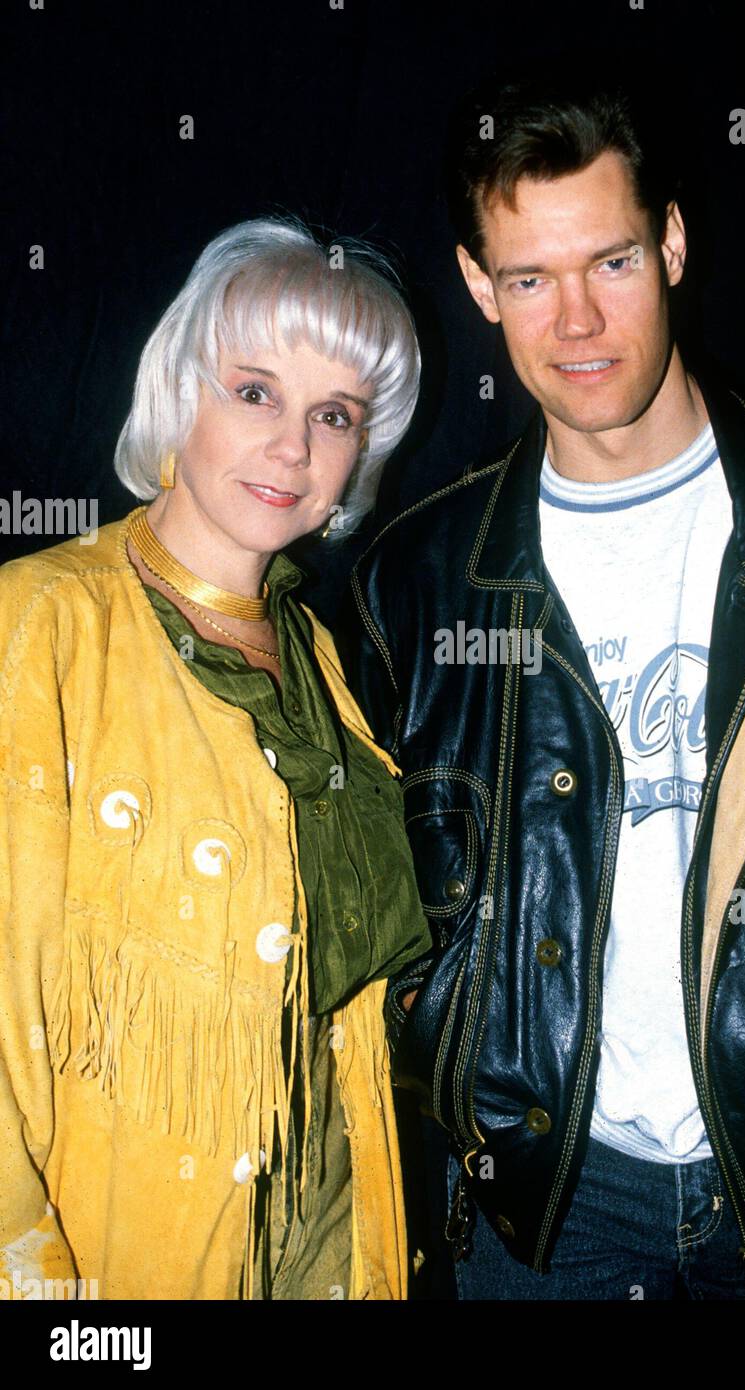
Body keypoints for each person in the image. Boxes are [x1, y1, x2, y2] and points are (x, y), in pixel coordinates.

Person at [336, 77, 745, 1299]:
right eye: (529, 279)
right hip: (545, 1221)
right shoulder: (412, 585)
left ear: (671, 243)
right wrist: (453, 1046)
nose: (576, 319)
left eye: (611, 260)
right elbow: (370, 890)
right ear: (479, 287)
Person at [0, 217, 432, 1300]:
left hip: (336, 1251)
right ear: (180, 390)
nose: (293, 445)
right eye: (255, 391)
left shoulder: (323, 661)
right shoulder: (40, 626)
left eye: (334, 414)